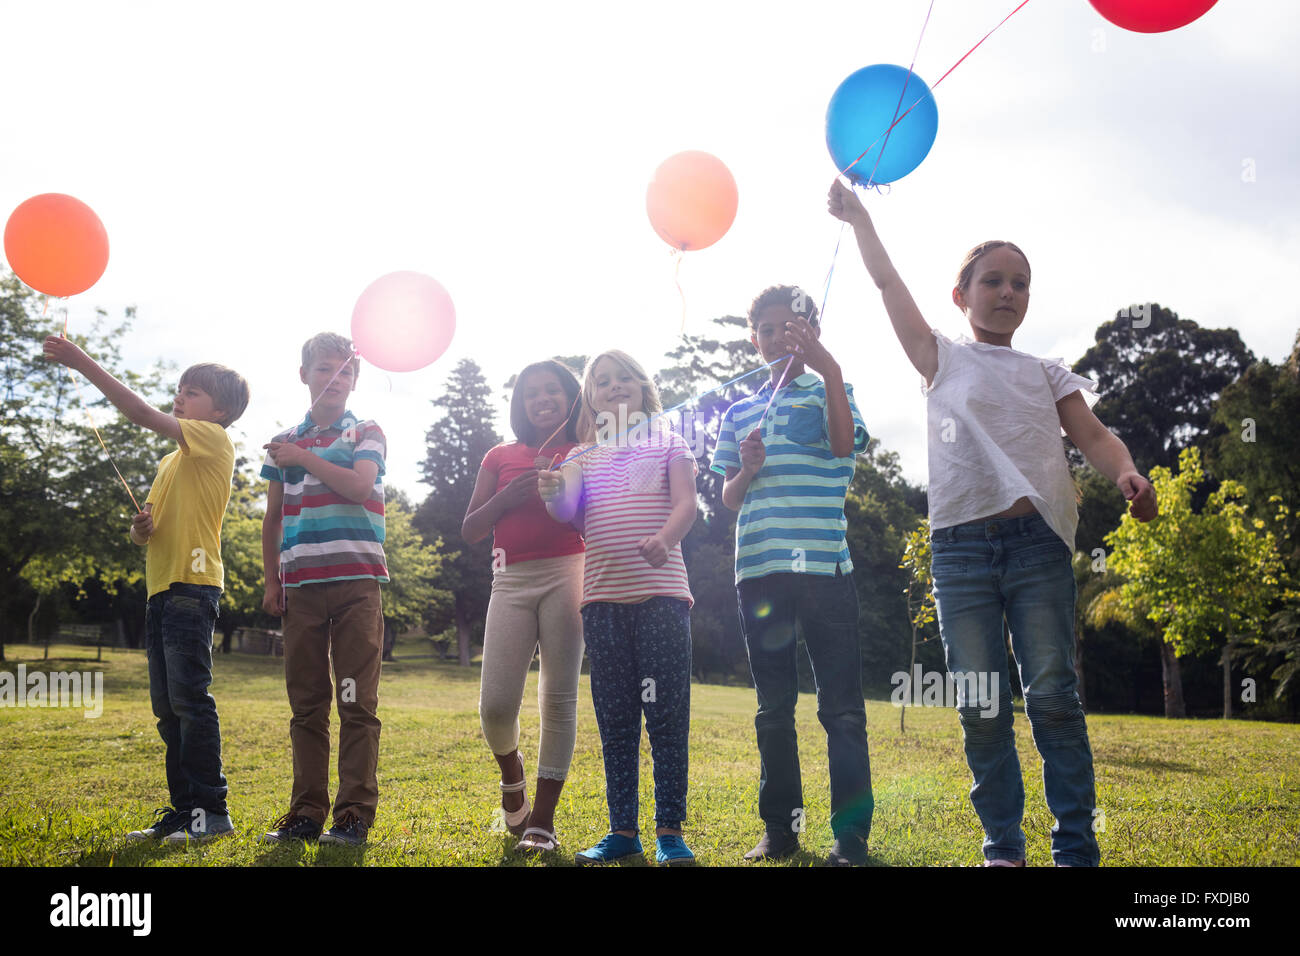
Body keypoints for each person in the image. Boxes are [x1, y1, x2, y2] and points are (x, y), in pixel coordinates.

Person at [828, 180, 1157, 866]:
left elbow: (1094, 438)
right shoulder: (941, 357)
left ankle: (1075, 847)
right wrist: (860, 218)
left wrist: (1126, 472)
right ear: (963, 294)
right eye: (994, 281)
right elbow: (888, 284)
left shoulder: (1047, 372)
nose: (1008, 293)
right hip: (960, 554)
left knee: (1054, 700)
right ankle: (1003, 846)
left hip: (1036, 547)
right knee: (982, 708)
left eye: (1021, 284)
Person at [44, 336, 249, 844]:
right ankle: (184, 812)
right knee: (166, 707)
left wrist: (80, 361)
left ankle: (212, 813)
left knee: (190, 700)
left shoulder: (213, 439)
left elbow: (138, 411)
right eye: (180, 389)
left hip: (192, 585)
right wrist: (141, 530)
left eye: (193, 392)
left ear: (219, 411)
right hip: (162, 589)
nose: (180, 397)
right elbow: (150, 529)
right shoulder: (169, 462)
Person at [712, 286, 875, 866]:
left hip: (825, 570)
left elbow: (842, 444)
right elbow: (728, 498)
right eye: (768, 329)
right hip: (759, 570)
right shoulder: (736, 414)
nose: (780, 337)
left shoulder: (836, 390)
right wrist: (747, 470)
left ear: (811, 332)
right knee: (774, 708)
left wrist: (830, 367)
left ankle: (850, 838)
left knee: (842, 709)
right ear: (753, 338)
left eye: (793, 326)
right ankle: (780, 831)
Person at [538, 350, 697, 865]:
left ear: (643, 386)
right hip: (602, 603)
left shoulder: (669, 443)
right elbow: (567, 513)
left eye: (623, 377)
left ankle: (669, 832)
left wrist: (664, 539)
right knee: (617, 721)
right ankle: (622, 831)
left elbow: (686, 504)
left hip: (663, 598)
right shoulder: (582, 457)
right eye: (602, 382)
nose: (613, 386)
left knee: (667, 718)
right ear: (591, 398)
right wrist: (550, 491)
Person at [259, 332, 388, 847]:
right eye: (325, 369)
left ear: (355, 380)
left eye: (346, 371)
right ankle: (305, 812)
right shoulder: (282, 441)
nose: (336, 379)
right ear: (304, 374)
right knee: (307, 703)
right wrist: (272, 579)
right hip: (302, 588)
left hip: (358, 582)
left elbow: (359, 486)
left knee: (356, 701)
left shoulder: (368, 432)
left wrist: (303, 458)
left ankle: (353, 815)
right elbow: (271, 519)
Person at [462, 360, 586, 854]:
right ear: (520, 403)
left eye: (552, 391)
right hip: (509, 581)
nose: (542, 400)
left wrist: (565, 492)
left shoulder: (584, 449)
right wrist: (509, 496)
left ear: (570, 398)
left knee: (558, 699)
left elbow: (596, 515)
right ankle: (511, 773)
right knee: (495, 704)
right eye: (532, 393)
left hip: (569, 574)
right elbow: (471, 529)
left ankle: (543, 820)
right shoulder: (500, 455)